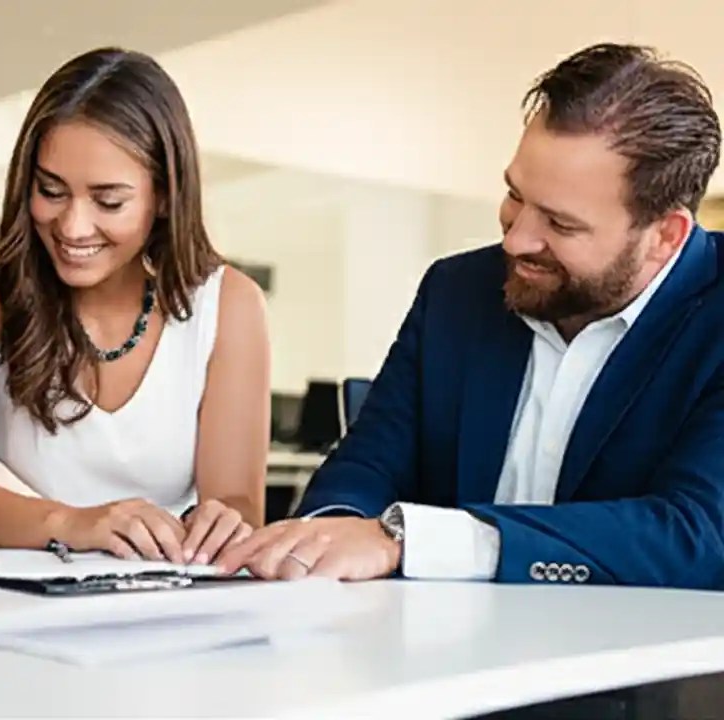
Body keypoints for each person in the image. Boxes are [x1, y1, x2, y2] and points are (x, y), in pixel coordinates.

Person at [218, 42, 724, 589]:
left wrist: (408, 540)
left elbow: (696, 535)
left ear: (662, 237)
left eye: (560, 224)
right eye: (514, 195)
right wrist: (328, 538)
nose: (516, 238)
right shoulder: (456, 291)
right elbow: (365, 466)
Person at [0, 48, 270, 564]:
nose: (73, 227)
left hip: (163, 596)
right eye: (51, 190)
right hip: (10, 592)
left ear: (164, 196)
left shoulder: (229, 305)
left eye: (109, 202)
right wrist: (77, 524)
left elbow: (235, 504)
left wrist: (224, 524)